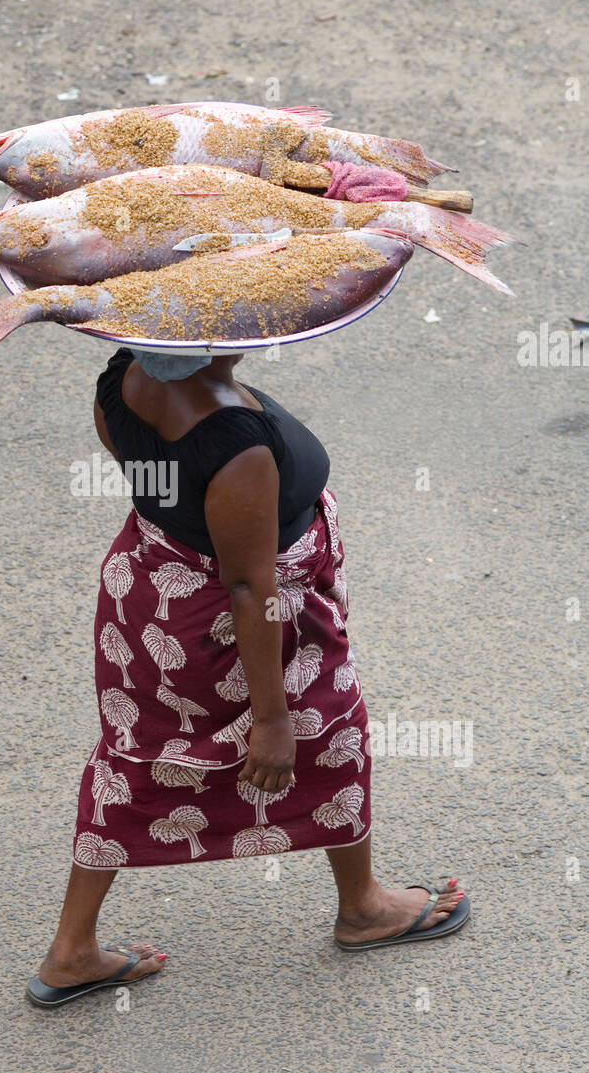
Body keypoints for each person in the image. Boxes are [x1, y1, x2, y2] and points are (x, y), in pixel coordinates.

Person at [27, 347, 469, 1005]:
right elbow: (247, 585)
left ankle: (71, 950)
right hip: (240, 631)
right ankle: (364, 909)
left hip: (150, 601)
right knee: (332, 736)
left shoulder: (121, 378)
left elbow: (162, 493)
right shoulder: (236, 448)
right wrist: (269, 718)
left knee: (138, 761)